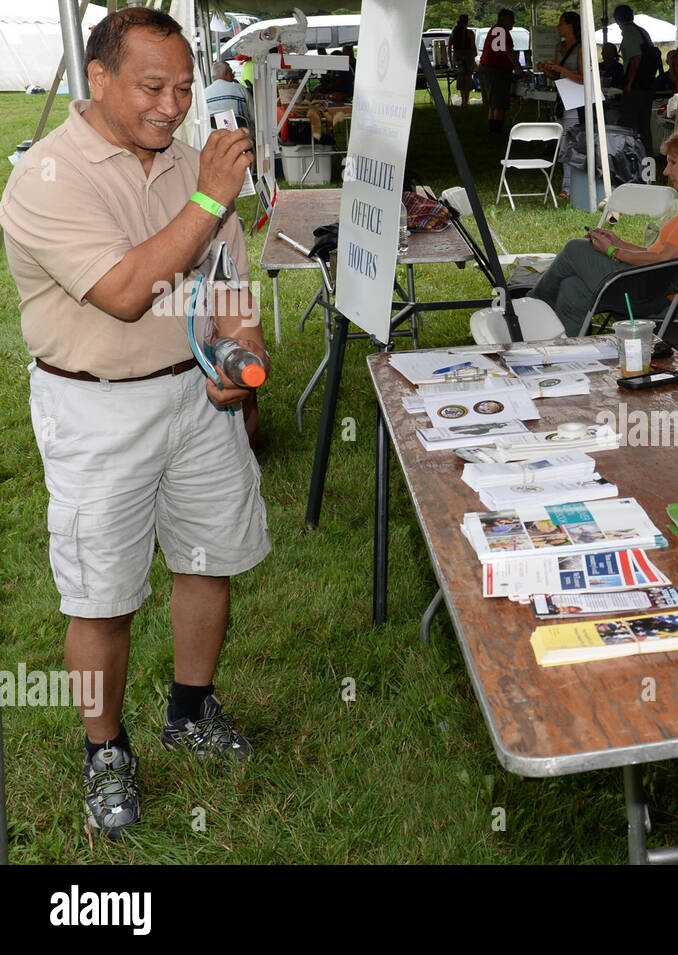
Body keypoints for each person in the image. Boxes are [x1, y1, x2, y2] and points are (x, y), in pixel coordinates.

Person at [0, 7, 270, 839]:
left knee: (209, 557)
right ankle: (104, 748)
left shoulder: (192, 161)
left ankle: (190, 708)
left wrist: (242, 348)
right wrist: (209, 194)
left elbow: (224, 273)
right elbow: (123, 292)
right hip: (96, 407)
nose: (173, 104)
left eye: (185, 87)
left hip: (193, 394)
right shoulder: (46, 176)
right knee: (102, 596)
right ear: (101, 78)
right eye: (153, 86)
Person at [532, 129, 678, 336]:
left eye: (673, 163)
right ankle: (563, 348)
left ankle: (527, 311)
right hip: (664, 289)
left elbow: (663, 260)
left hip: (663, 300)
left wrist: (613, 251)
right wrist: (620, 243)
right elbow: (661, 253)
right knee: (572, 289)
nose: (666, 171)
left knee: (574, 249)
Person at [538, 11, 583, 201]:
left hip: (576, 99)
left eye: (561, 23)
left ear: (571, 26)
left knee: (570, 142)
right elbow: (556, 76)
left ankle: (570, 187)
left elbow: (583, 78)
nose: (558, 27)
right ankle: (568, 186)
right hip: (562, 97)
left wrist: (561, 69)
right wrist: (547, 70)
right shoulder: (559, 47)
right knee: (563, 142)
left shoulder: (581, 47)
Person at [614, 4, 656, 158]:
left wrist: (629, 82)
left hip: (637, 85)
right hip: (647, 84)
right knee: (643, 125)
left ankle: (627, 158)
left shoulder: (629, 32)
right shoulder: (642, 31)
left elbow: (637, 58)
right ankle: (647, 159)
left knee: (628, 123)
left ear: (618, 19)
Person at [481, 8, 523, 135]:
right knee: (499, 102)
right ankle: (497, 130)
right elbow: (509, 51)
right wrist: (518, 68)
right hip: (497, 70)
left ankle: (494, 128)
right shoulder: (501, 31)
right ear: (504, 19)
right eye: (511, 19)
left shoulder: (497, 29)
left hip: (491, 68)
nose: (513, 22)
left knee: (494, 102)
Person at [204, 58, 251, 124]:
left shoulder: (204, 94)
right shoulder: (240, 89)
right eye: (232, 73)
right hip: (241, 132)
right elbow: (254, 116)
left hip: (215, 133)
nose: (233, 76)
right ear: (227, 73)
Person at [450, 14, 476, 107]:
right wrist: (474, 55)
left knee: (461, 78)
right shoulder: (470, 33)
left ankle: (463, 101)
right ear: (467, 22)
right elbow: (473, 47)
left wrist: (452, 59)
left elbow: (449, 47)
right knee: (468, 78)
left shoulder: (454, 32)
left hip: (458, 58)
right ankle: (466, 100)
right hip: (468, 58)